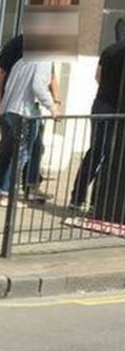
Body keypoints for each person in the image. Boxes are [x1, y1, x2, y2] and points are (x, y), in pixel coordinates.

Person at [71, 19, 125, 211]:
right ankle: (97, 201)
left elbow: (98, 77)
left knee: (96, 152)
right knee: (110, 156)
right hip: (115, 108)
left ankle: (77, 198)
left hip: (101, 103)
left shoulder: (109, 50)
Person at [0, 60, 60, 206]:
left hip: (10, 109)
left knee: (16, 151)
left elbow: (10, 83)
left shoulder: (23, 61)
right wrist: (53, 107)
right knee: (22, 153)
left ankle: (3, 191)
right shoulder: (44, 62)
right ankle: (6, 193)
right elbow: (39, 87)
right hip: (25, 112)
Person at [0, 34, 47, 202]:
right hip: (17, 108)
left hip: (29, 108)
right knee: (13, 148)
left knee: (35, 146)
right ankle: (2, 189)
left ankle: (28, 186)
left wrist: (55, 100)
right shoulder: (18, 45)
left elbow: (50, 79)